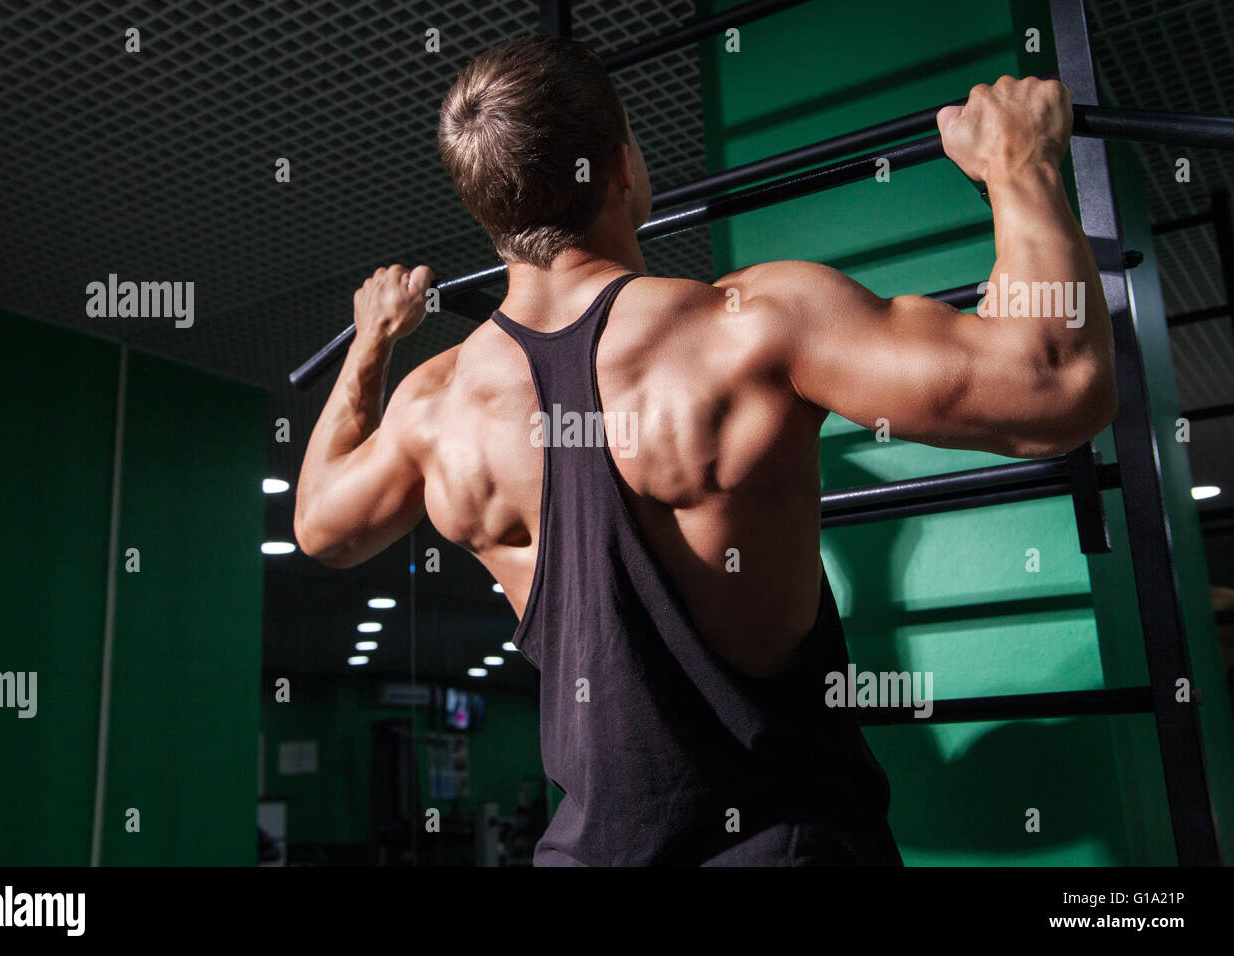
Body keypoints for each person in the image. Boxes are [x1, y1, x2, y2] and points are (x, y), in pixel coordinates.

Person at [294, 35, 1116, 865]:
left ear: (488, 211)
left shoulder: (433, 408)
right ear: (622, 164)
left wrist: (371, 342)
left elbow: (324, 528)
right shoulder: (753, 326)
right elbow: (1057, 382)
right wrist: (1020, 163)